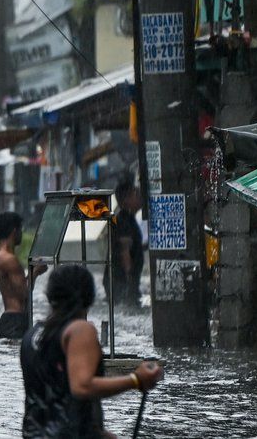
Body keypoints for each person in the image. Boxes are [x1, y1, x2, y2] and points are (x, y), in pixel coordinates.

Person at [21, 264, 163, 438]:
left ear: (50, 295)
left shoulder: (32, 335)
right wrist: (136, 380)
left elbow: (54, 397)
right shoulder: (80, 330)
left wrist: (100, 434)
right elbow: (82, 386)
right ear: (89, 296)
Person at [0, 211, 28, 340]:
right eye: (21, 230)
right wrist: (35, 272)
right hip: (15, 320)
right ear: (14, 231)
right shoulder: (9, 259)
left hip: (11, 318)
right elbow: (24, 293)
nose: (21, 234)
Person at [109, 177, 144, 307]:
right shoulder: (123, 220)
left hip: (125, 285)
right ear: (126, 200)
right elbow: (125, 252)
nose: (139, 195)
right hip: (122, 286)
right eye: (135, 193)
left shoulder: (129, 218)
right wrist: (130, 281)